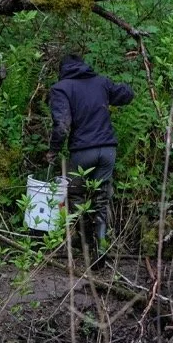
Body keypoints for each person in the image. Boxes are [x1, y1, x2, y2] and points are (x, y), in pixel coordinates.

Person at [46, 53, 135, 257]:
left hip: (82, 152)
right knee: (102, 199)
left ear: (62, 69)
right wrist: (126, 85)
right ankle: (101, 249)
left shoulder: (61, 88)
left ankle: (86, 242)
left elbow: (62, 125)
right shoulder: (101, 82)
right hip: (108, 150)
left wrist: (53, 150)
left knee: (75, 194)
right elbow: (126, 95)